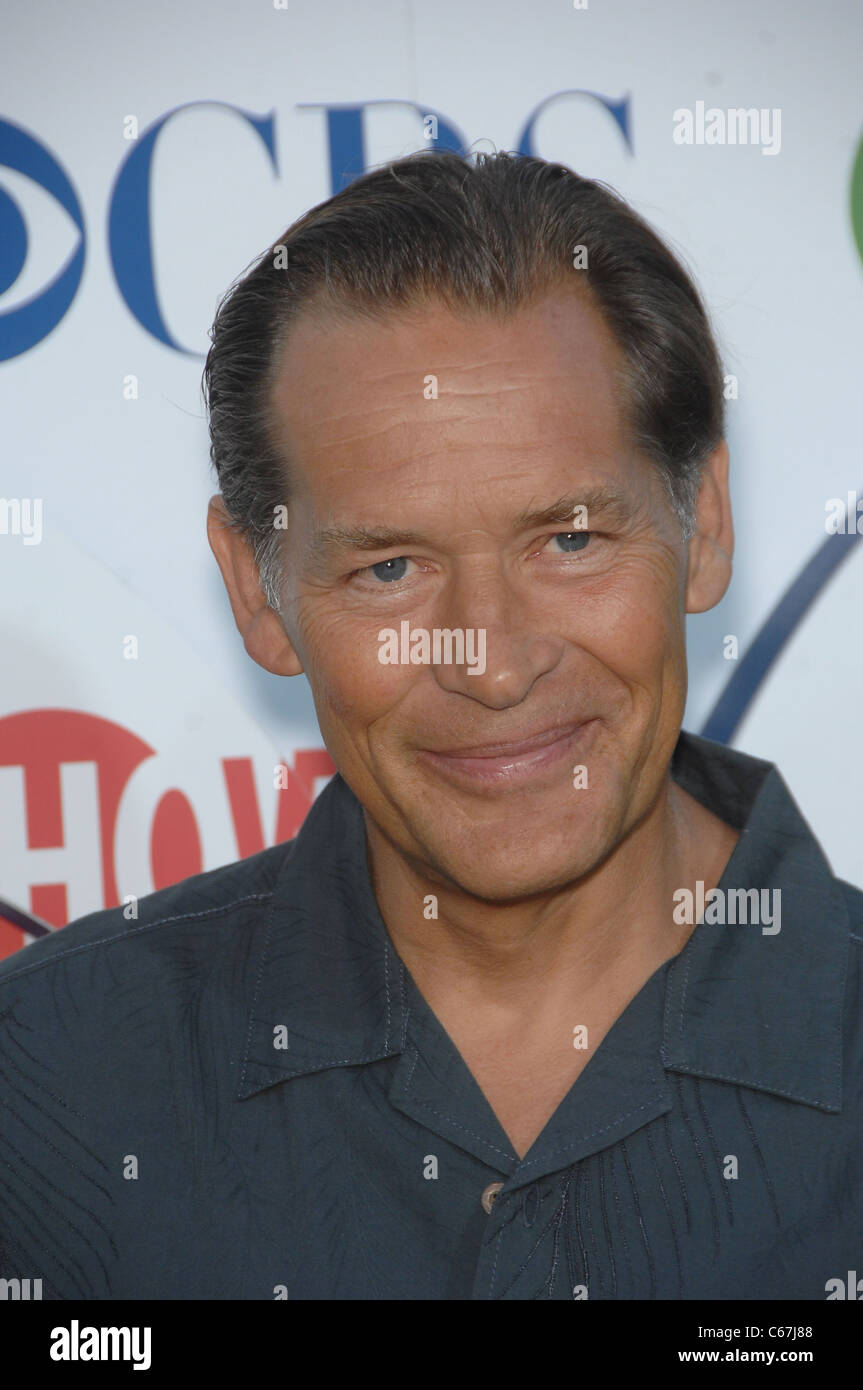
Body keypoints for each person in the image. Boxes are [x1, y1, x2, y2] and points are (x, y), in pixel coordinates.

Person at [1, 151, 860, 1301]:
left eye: (569, 541)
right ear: (259, 592)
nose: (493, 666)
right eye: (389, 567)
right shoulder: (45, 1075)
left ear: (701, 524)